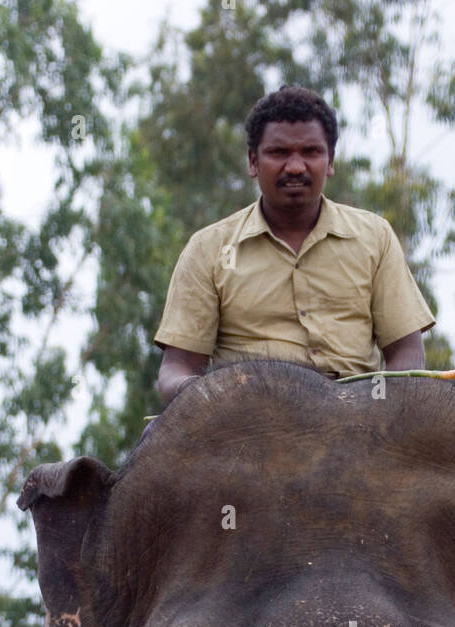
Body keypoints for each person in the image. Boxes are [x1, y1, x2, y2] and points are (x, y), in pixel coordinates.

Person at [153, 84, 435, 408]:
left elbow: (407, 351)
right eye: (279, 153)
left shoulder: (375, 238)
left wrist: (383, 406)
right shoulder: (209, 250)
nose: (296, 167)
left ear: (330, 162)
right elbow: (177, 367)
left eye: (311, 152)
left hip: (358, 420)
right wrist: (208, 396)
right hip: (245, 426)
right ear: (253, 162)